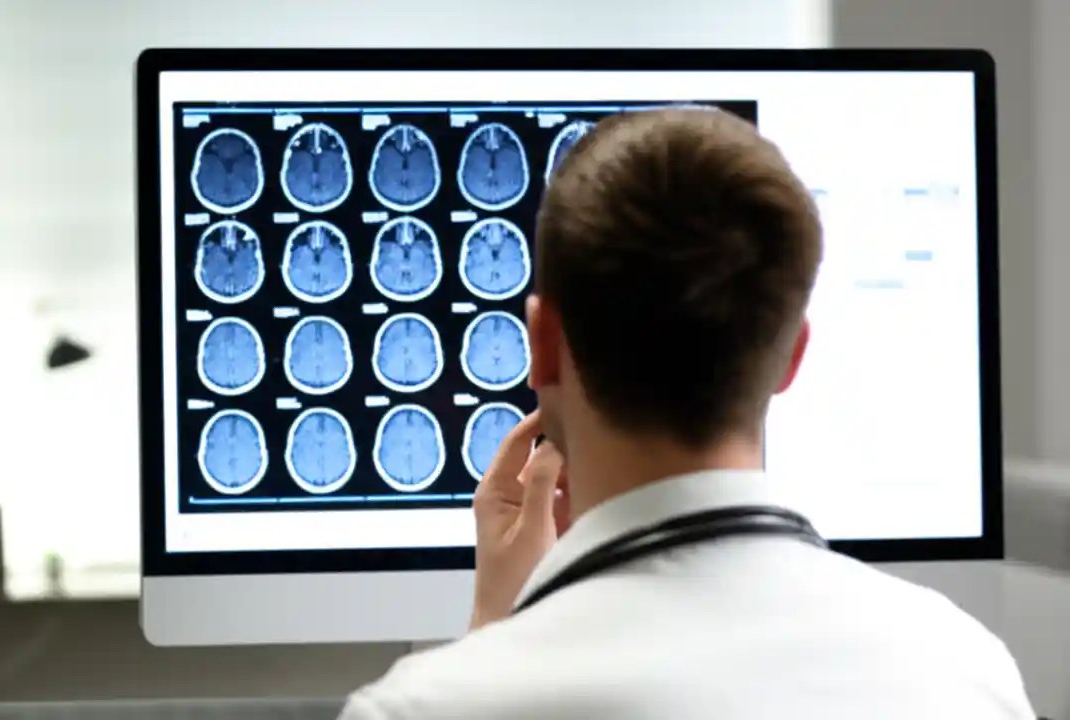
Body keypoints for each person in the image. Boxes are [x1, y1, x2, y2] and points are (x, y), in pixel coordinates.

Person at [339, 109, 1034, 719]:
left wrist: (496, 640)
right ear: (792, 356)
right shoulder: (964, 670)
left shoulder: (429, 708)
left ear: (544, 346)